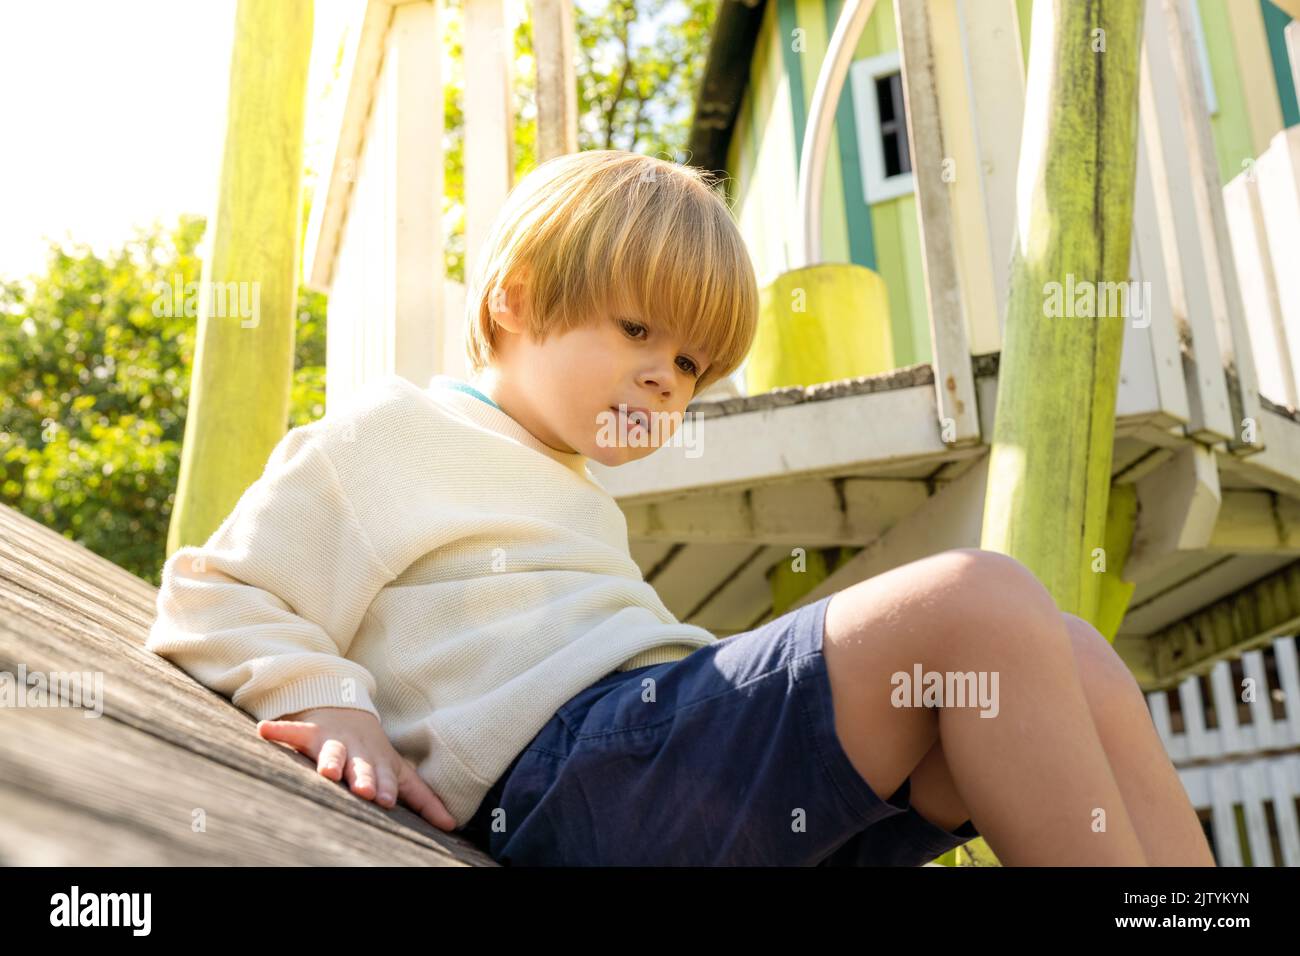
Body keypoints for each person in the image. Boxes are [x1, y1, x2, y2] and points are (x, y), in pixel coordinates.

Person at [146, 149, 1213, 866]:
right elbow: (212, 590)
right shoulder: (393, 431)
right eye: (638, 330)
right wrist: (333, 700)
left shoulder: (571, 489)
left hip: (675, 788)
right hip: (573, 784)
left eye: (694, 363)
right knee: (977, 600)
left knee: (1072, 653)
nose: (668, 377)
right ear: (515, 297)